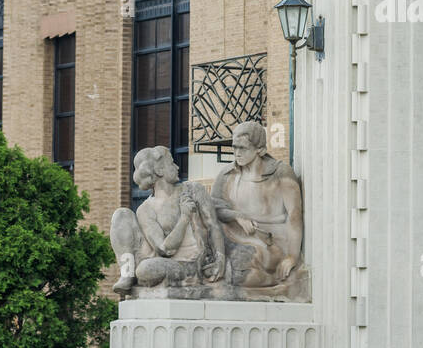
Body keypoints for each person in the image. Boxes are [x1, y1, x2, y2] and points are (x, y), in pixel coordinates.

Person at [110, 146, 225, 295]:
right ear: (159, 170)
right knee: (121, 215)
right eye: (171, 163)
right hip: (160, 257)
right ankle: (127, 274)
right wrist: (184, 217)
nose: (177, 167)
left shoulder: (193, 189)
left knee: (146, 270)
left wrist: (220, 257)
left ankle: (139, 274)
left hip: (187, 264)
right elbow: (165, 249)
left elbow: (213, 225)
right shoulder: (145, 209)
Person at [211, 121, 303, 289]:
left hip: (271, 243)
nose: (237, 153)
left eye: (243, 148)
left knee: (239, 267)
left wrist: (292, 256)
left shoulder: (281, 173)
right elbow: (213, 209)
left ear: (260, 150)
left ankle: (274, 284)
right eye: (234, 147)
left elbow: (294, 216)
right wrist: (237, 216)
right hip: (233, 236)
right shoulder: (226, 174)